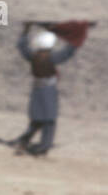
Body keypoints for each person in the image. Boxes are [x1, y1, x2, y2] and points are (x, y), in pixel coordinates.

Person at [13, 23, 78, 156]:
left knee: (36, 120)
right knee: (49, 120)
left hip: (37, 90)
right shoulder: (52, 57)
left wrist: (25, 31)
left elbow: (22, 47)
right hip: (48, 90)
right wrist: (75, 39)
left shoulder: (33, 56)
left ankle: (24, 141)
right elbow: (68, 52)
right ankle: (43, 147)